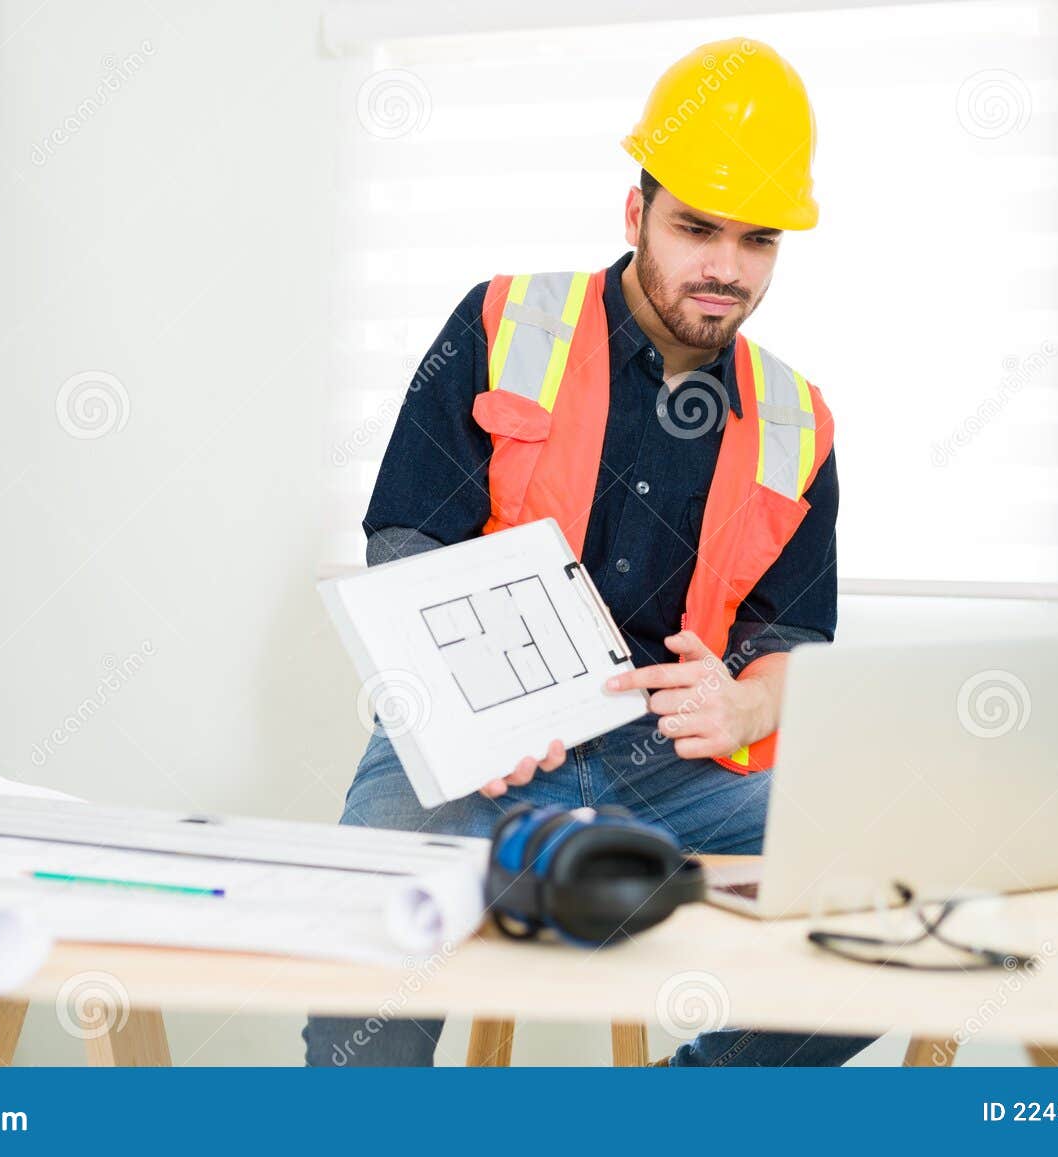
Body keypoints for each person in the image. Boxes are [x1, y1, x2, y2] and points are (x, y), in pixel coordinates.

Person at [305, 37, 874, 1067]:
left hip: (676, 770)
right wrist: (484, 704)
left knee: (883, 905)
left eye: (757, 240)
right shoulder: (503, 321)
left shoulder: (800, 419)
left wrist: (745, 706)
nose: (725, 267)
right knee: (367, 966)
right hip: (473, 745)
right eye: (695, 226)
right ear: (634, 212)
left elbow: (793, 638)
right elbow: (407, 538)